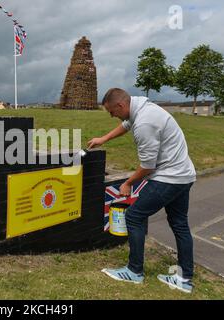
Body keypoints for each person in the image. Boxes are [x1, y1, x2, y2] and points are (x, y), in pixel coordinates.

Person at [88, 88, 197, 293]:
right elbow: (125, 124)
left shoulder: (145, 123)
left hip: (169, 177)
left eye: (112, 112)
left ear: (121, 105)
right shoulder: (139, 106)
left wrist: (128, 183)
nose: (112, 116)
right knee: (179, 223)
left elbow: (148, 166)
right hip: (184, 174)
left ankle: (134, 271)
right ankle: (184, 279)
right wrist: (103, 139)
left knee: (134, 217)